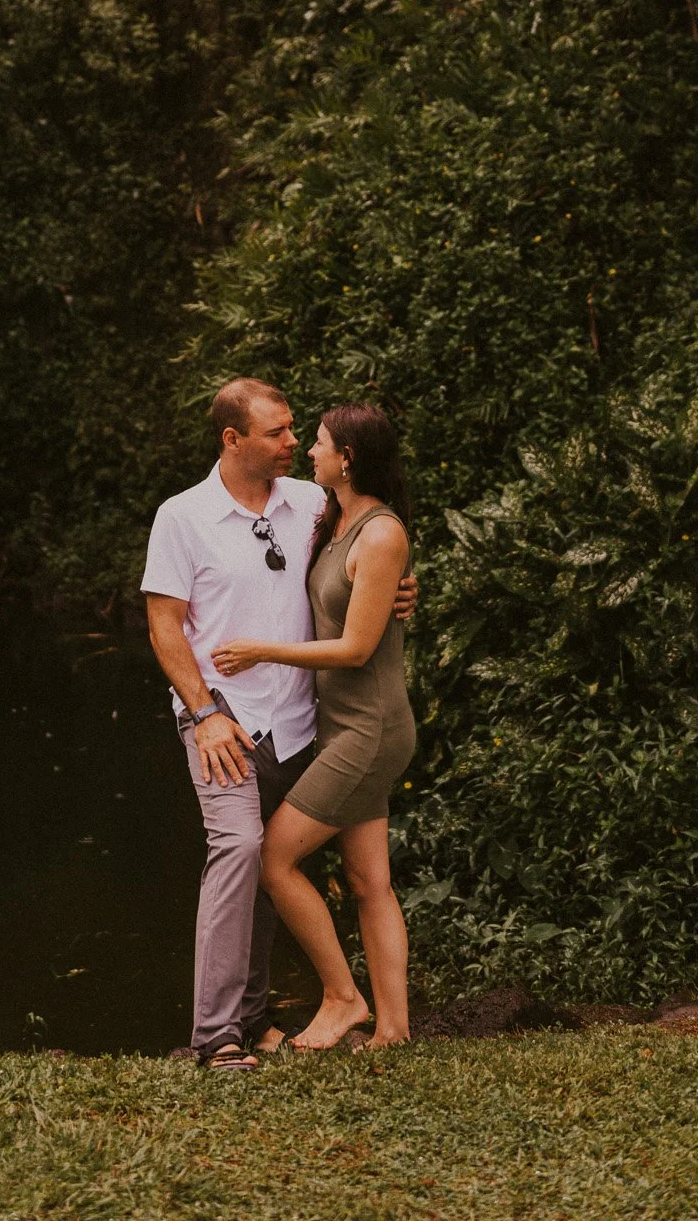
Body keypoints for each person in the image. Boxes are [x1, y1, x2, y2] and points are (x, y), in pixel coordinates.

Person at [143, 379, 417, 1072]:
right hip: (224, 719)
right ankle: (215, 1036)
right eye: (276, 432)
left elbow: (365, 559)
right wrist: (203, 713)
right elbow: (163, 626)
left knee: (279, 863)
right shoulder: (182, 517)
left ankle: (256, 1015)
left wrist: (400, 591)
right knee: (239, 849)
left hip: (302, 719)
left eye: (298, 431)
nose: (292, 443)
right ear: (232, 440)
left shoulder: (312, 503)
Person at [213, 401, 416, 1051]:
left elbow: (355, 648)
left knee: (275, 858)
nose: (306, 450)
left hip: (369, 730)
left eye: (319, 442)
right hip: (347, 726)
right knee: (368, 881)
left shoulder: (379, 532)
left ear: (348, 458)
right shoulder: (330, 517)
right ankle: (393, 1029)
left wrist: (260, 650)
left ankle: (340, 997)